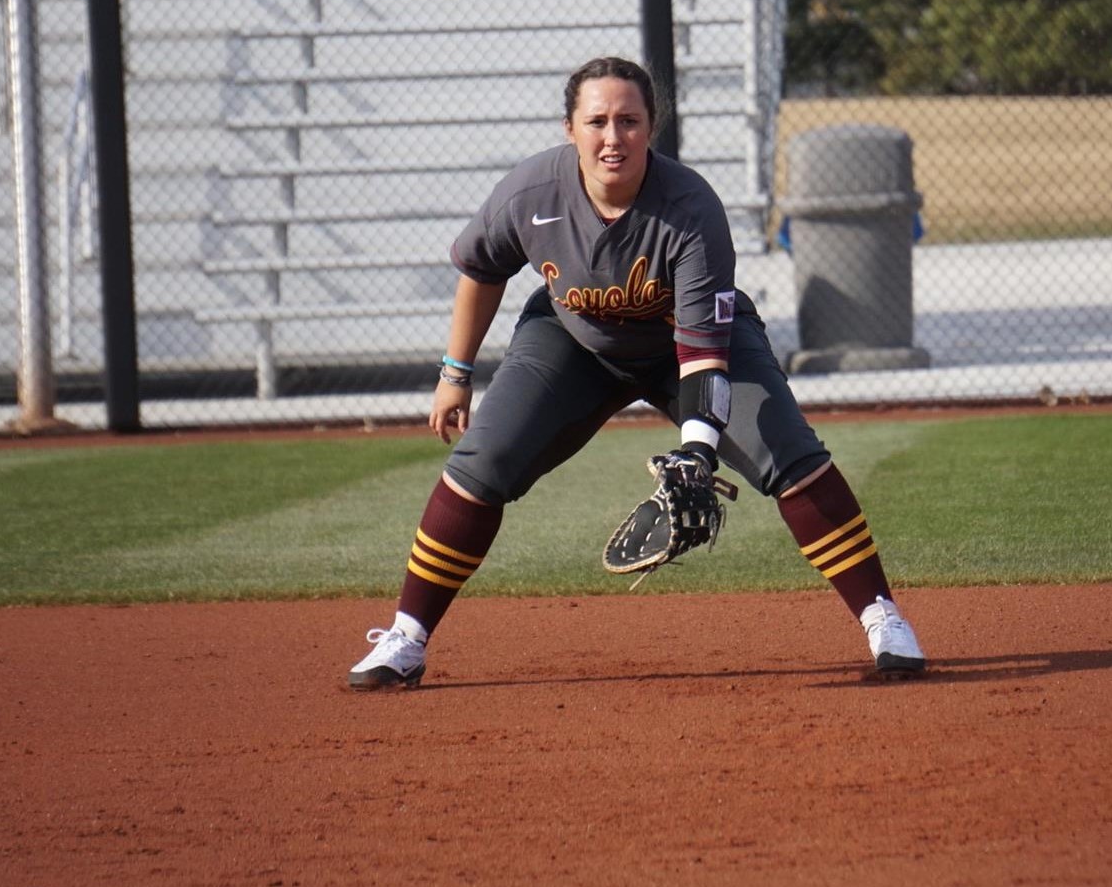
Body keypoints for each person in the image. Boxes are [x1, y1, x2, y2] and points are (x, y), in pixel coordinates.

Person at [349, 56, 927, 690]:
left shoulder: (689, 207)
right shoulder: (530, 192)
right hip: (572, 340)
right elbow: (482, 270)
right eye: (596, 120)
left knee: (788, 455)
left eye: (629, 120)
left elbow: (703, 351)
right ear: (569, 127)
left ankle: (883, 618)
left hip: (686, 342)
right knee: (481, 465)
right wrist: (455, 373)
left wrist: (697, 453)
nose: (612, 136)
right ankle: (406, 637)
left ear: (652, 127)